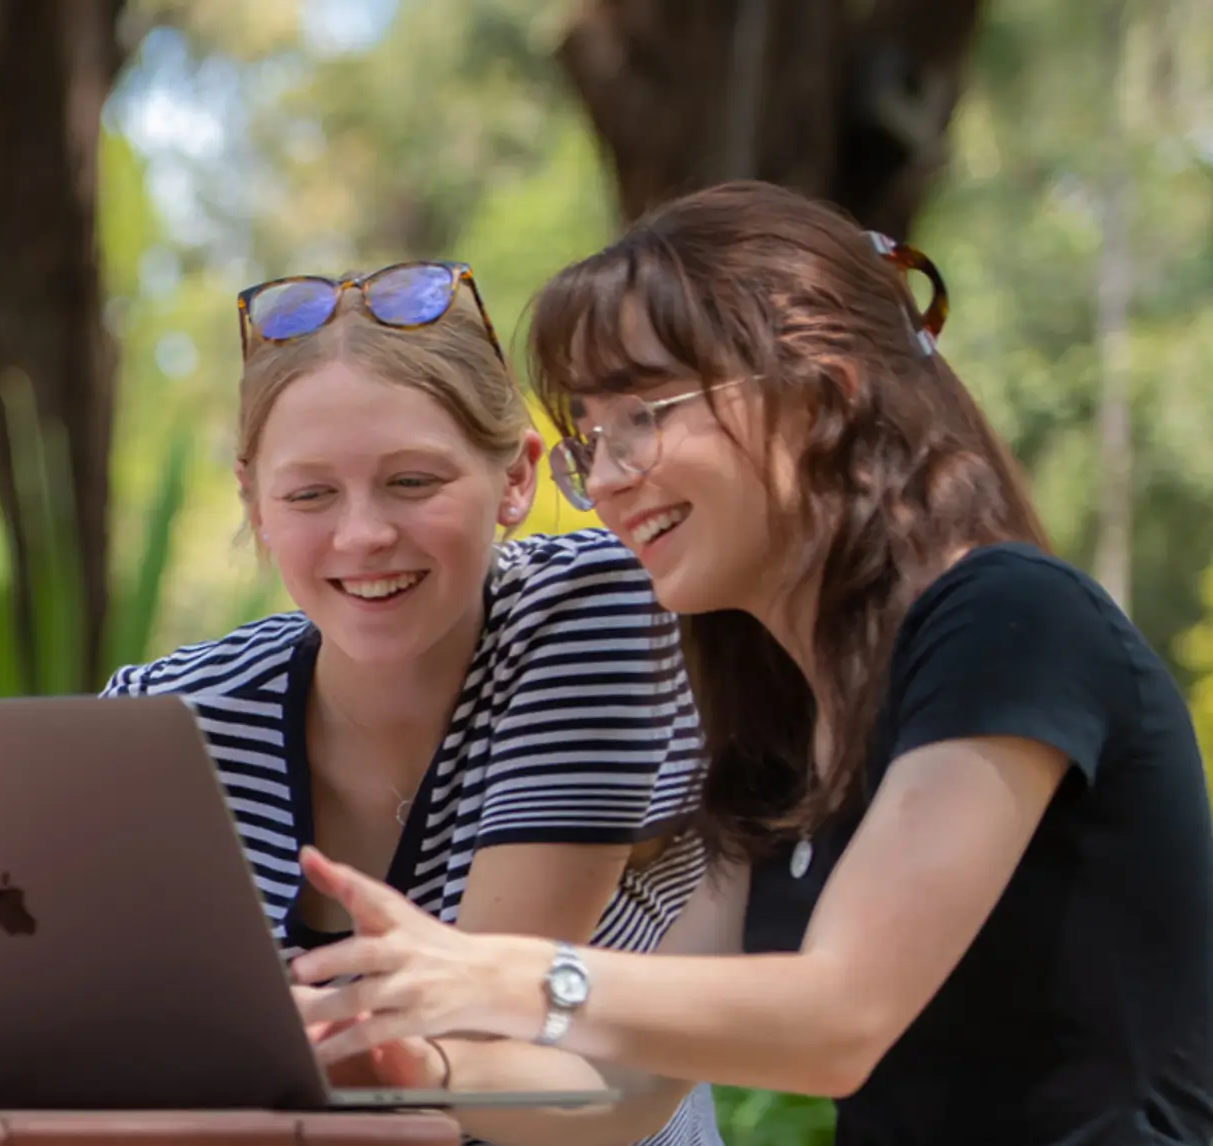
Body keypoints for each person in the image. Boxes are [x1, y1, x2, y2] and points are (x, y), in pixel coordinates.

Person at [287, 181, 1213, 1145]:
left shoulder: (1008, 621)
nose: (604, 478)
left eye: (644, 413)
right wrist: (389, 1060)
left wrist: (509, 976)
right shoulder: (784, 726)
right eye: (589, 439)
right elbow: (616, 1092)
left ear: (823, 393)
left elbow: (837, 1019)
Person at [102, 261, 721, 1145]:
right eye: (310, 493)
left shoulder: (599, 609)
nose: (362, 535)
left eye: (413, 482)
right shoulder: (170, 713)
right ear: (256, 504)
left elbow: (488, 1033)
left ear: (516, 481)